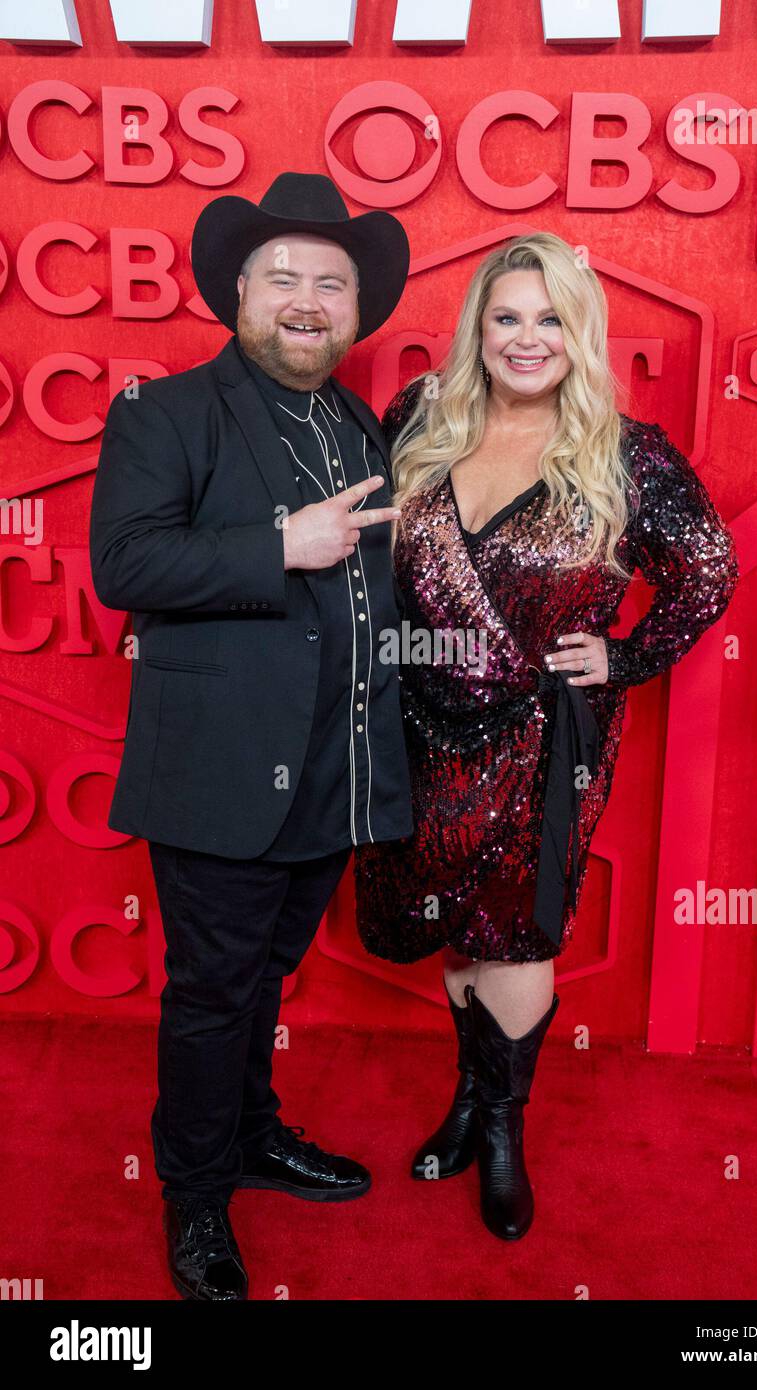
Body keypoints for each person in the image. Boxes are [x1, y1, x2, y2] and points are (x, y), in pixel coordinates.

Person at [353, 231, 740, 1241]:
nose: (527, 338)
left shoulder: (625, 453)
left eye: (550, 318)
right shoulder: (417, 423)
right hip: (418, 722)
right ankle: (468, 1096)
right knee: (449, 914)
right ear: (477, 328)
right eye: (506, 316)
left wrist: (623, 658)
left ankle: (501, 1135)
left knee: (513, 927)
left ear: (581, 332)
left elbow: (704, 570)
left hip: (540, 735)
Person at [89, 173, 413, 1300]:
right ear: (239, 290)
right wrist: (281, 542)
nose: (309, 300)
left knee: (267, 975)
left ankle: (250, 1134)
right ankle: (192, 1197)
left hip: (334, 764)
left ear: (356, 309)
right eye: (285, 278)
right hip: (221, 765)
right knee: (214, 990)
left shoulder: (355, 421)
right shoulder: (163, 413)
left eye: (332, 282)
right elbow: (123, 564)